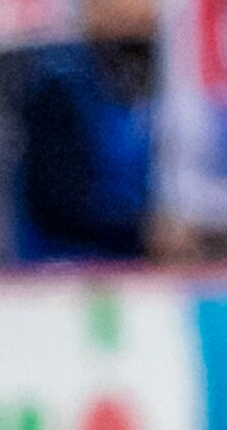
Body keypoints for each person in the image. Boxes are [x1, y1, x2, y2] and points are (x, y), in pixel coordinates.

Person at [13, 0, 168, 263]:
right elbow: (58, 204)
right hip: (66, 263)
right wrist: (146, 232)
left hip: (136, 260)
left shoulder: (152, 77)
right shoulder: (59, 83)